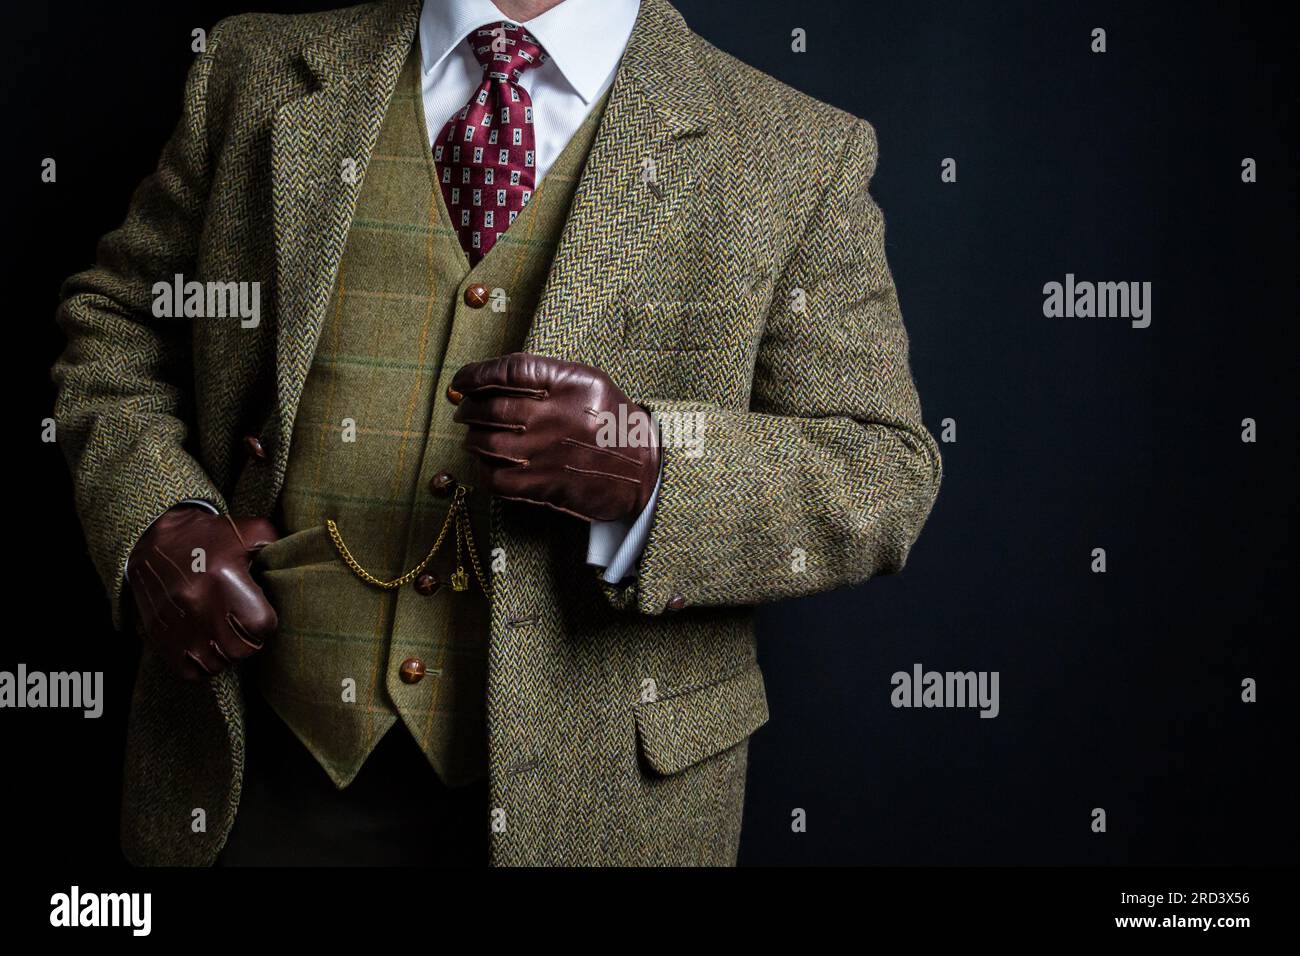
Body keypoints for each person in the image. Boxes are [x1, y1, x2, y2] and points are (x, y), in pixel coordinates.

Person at [51, 0, 941, 866]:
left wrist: (655, 466)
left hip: (602, 796)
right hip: (258, 765)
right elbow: (119, 319)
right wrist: (157, 520)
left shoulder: (794, 150)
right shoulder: (253, 72)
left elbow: (881, 468)